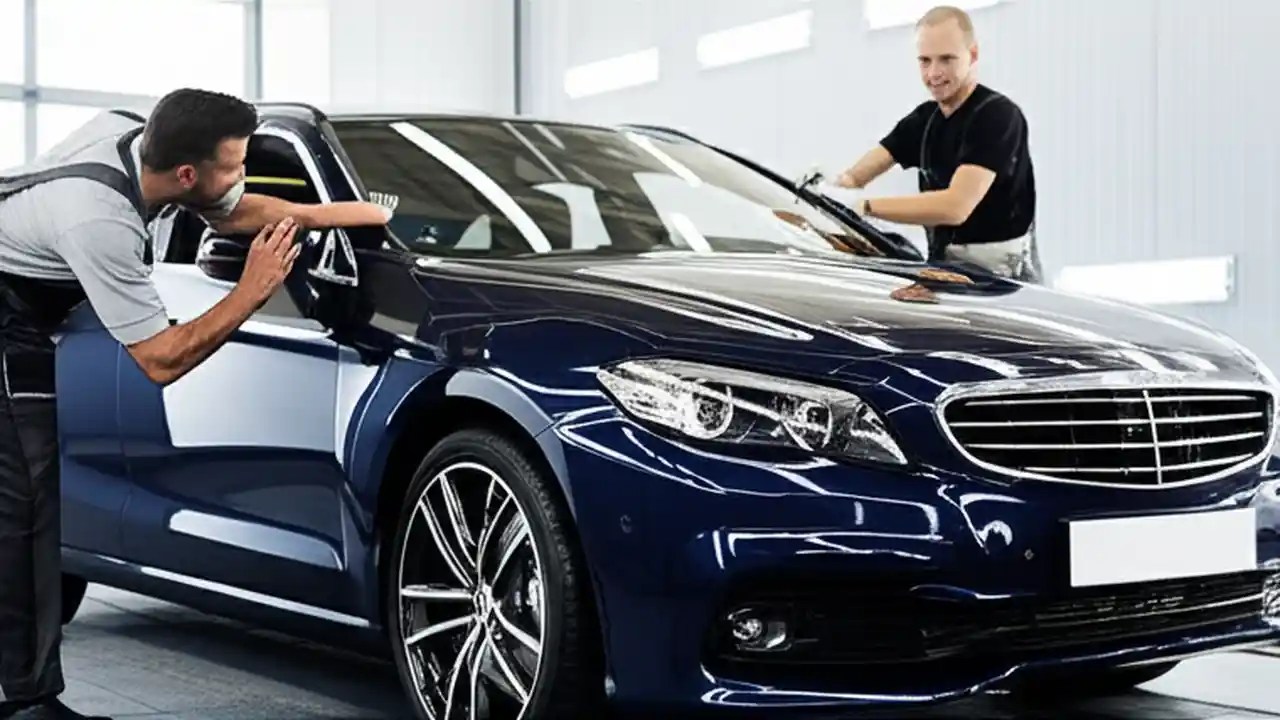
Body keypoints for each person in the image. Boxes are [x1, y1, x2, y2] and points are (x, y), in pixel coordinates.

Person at [0, 88, 391, 720]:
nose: (241, 176)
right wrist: (253, 289)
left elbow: (236, 212)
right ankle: (27, 703)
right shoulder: (99, 220)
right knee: (26, 504)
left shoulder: (141, 135)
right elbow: (161, 361)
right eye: (235, 165)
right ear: (187, 174)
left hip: (33, 291)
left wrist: (354, 216)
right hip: (6, 308)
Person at [835, 5, 1040, 281]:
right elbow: (856, 176)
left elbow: (955, 207)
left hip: (1002, 277)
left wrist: (864, 206)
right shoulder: (924, 120)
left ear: (973, 54)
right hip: (946, 266)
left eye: (947, 59)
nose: (934, 73)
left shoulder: (998, 116)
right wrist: (830, 190)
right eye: (925, 61)